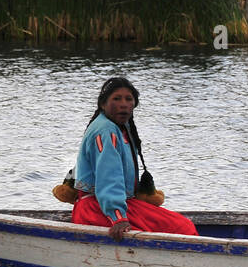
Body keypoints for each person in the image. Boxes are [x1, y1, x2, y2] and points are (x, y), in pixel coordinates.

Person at [70, 76, 198, 240]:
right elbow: (108, 177)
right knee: (183, 227)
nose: (123, 104)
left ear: (134, 104)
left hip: (112, 204)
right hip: (97, 208)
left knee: (180, 226)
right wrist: (118, 218)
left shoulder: (120, 127)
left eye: (128, 99)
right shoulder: (106, 131)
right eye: (116, 99)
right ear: (103, 104)